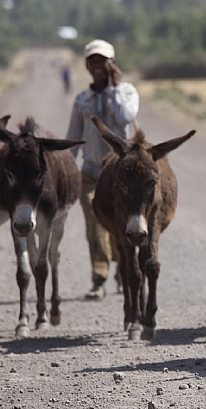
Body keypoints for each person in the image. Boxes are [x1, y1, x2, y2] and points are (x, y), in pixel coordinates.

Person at [66, 39, 139, 300]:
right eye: (92, 61)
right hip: (91, 172)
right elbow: (74, 136)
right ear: (86, 65)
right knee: (95, 224)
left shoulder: (128, 92)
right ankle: (99, 278)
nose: (97, 65)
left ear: (112, 63)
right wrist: (66, 170)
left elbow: (124, 117)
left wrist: (115, 87)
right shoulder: (82, 100)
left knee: (121, 224)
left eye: (103, 60)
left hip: (121, 174)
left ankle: (122, 266)